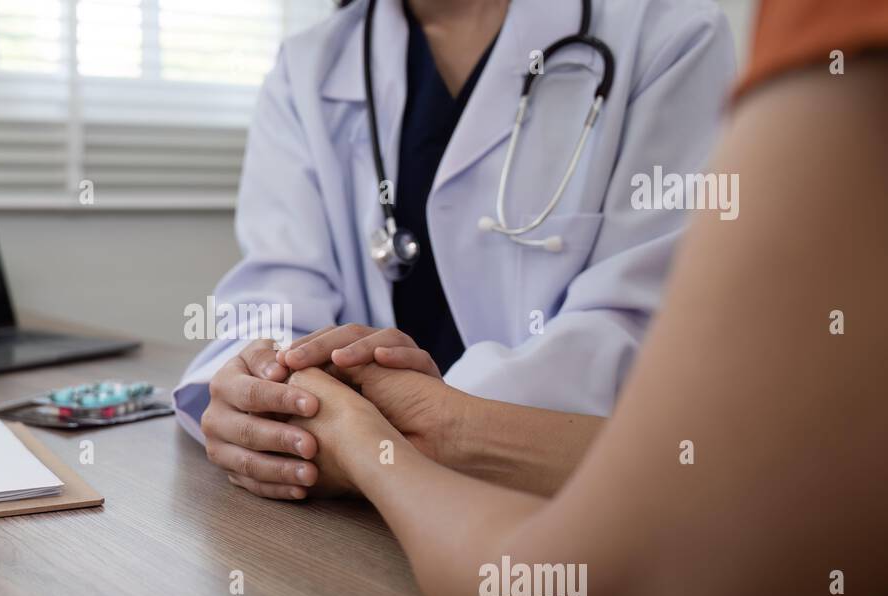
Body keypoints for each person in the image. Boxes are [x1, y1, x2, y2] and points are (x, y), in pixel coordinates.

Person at [282, 0, 888, 596]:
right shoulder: (310, 61)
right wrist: (272, 383)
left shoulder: (703, 25)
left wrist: (368, 438)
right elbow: (268, 293)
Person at [173, 0, 736, 500]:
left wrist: (422, 426)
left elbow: (637, 326)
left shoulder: (671, 35)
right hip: (346, 511)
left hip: (566, 506)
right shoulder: (309, 64)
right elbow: (274, 295)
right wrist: (256, 390)